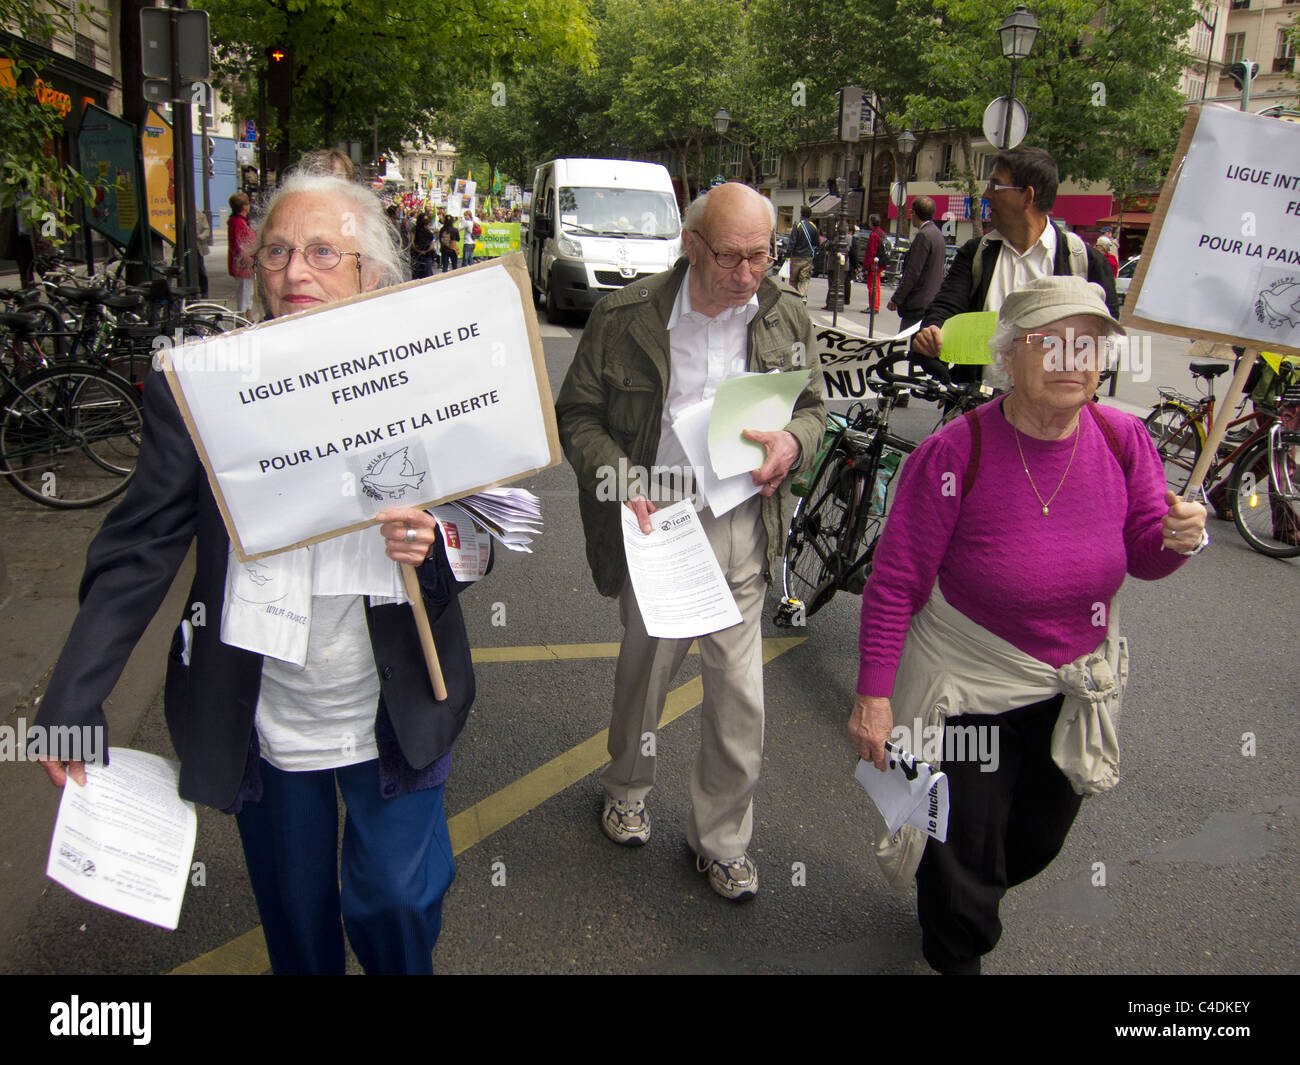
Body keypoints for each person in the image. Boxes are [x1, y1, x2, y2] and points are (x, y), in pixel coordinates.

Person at [32, 167, 487, 975]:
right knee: (295, 920)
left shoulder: (428, 374)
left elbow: (485, 527)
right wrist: (73, 690)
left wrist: (439, 534)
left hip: (395, 697)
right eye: (277, 250)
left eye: (322, 251)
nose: (293, 270)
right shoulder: (204, 387)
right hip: (266, 710)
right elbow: (140, 546)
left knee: (396, 898)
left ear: (370, 274)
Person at [847, 276, 1207, 974]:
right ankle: (956, 937)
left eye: (1090, 343)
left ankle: (956, 886)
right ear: (1010, 357)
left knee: (1037, 838)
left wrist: (1178, 539)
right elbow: (895, 583)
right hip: (969, 687)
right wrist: (874, 695)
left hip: (1068, 684)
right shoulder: (956, 453)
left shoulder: (1123, 436)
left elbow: (1144, 554)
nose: (1075, 359)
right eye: (1053, 343)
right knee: (965, 849)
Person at [555, 182, 824, 901]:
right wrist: (621, 477)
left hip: (740, 518)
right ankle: (626, 786)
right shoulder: (625, 316)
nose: (746, 274)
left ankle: (721, 839)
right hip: (658, 520)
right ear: (691, 244)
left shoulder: (785, 313)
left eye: (760, 256)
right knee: (646, 674)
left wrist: (792, 446)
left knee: (741, 698)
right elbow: (576, 414)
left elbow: (814, 409)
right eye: (730, 256)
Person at [913, 146, 1118, 378]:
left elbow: (1110, 345)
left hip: (1052, 412)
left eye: (995, 186)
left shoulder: (1084, 261)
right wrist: (932, 331)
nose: (986, 195)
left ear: (1028, 197)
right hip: (979, 407)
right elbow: (945, 308)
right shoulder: (976, 253)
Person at [887, 196, 946, 331]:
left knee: (906, 342)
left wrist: (896, 298)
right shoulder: (937, 234)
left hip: (918, 303)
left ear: (914, 213)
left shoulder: (923, 236)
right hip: (931, 300)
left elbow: (913, 272)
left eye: (911, 212)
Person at [227, 191, 256, 313]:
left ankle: (246, 314)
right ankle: (243, 316)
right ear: (244, 206)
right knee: (245, 291)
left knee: (246, 290)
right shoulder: (239, 222)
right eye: (248, 203)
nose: (249, 206)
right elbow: (240, 243)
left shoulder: (238, 220)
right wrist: (249, 259)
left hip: (241, 261)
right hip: (243, 263)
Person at [787, 203, 818, 301]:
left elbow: (792, 242)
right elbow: (816, 243)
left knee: (793, 279)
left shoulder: (797, 225)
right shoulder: (814, 227)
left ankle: (793, 297)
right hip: (808, 257)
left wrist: (788, 255)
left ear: (801, 214)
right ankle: (802, 295)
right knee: (804, 278)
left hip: (796, 256)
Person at [863, 214, 888, 314]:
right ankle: (875, 305)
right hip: (880, 263)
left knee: (872, 286)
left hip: (873, 264)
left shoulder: (873, 235)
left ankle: (873, 306)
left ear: (871, 222)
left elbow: (871, 252)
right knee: (876, 285)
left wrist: (866, 266)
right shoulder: (881, 233)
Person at [411, 211, 437, 279]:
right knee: (418, 273)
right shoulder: (415, 229)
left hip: (426, 255)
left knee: (427, 274)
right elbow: (412, 242)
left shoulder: (429, 232)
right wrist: (418, 250)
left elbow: (432, 244)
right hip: (417, 254)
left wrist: (425, 251)